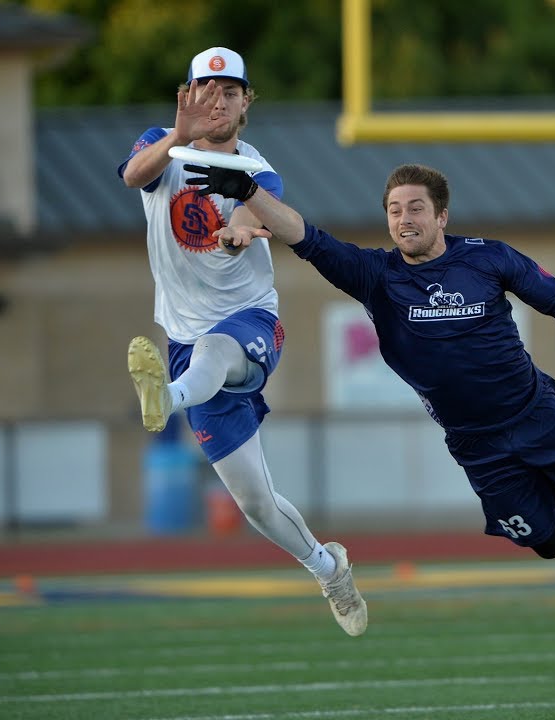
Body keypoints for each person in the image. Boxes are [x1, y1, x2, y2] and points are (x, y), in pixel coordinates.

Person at [185, 161, 555, 649]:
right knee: (551, 540)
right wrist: (251, 193)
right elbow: (309, 239)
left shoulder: (487, 258)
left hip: (537, 413)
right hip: (475, 443)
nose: (404, 219)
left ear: (442, 215)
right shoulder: (377, 276)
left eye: (415, 207)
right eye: (394, 210)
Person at [116, 46, 367, 637]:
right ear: (189, 92)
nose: (218, 99)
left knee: (211, 354)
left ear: (246, 100)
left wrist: (238, 227)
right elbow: (133, 177)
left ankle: (165, 400)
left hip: (250, 322)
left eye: (230, 91)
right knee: (256, 503)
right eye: (208, 88)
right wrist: (176, 135)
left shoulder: (256, 166)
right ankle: (330, 567)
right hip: (183, 339)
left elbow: (263, 217)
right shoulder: (161, 144)